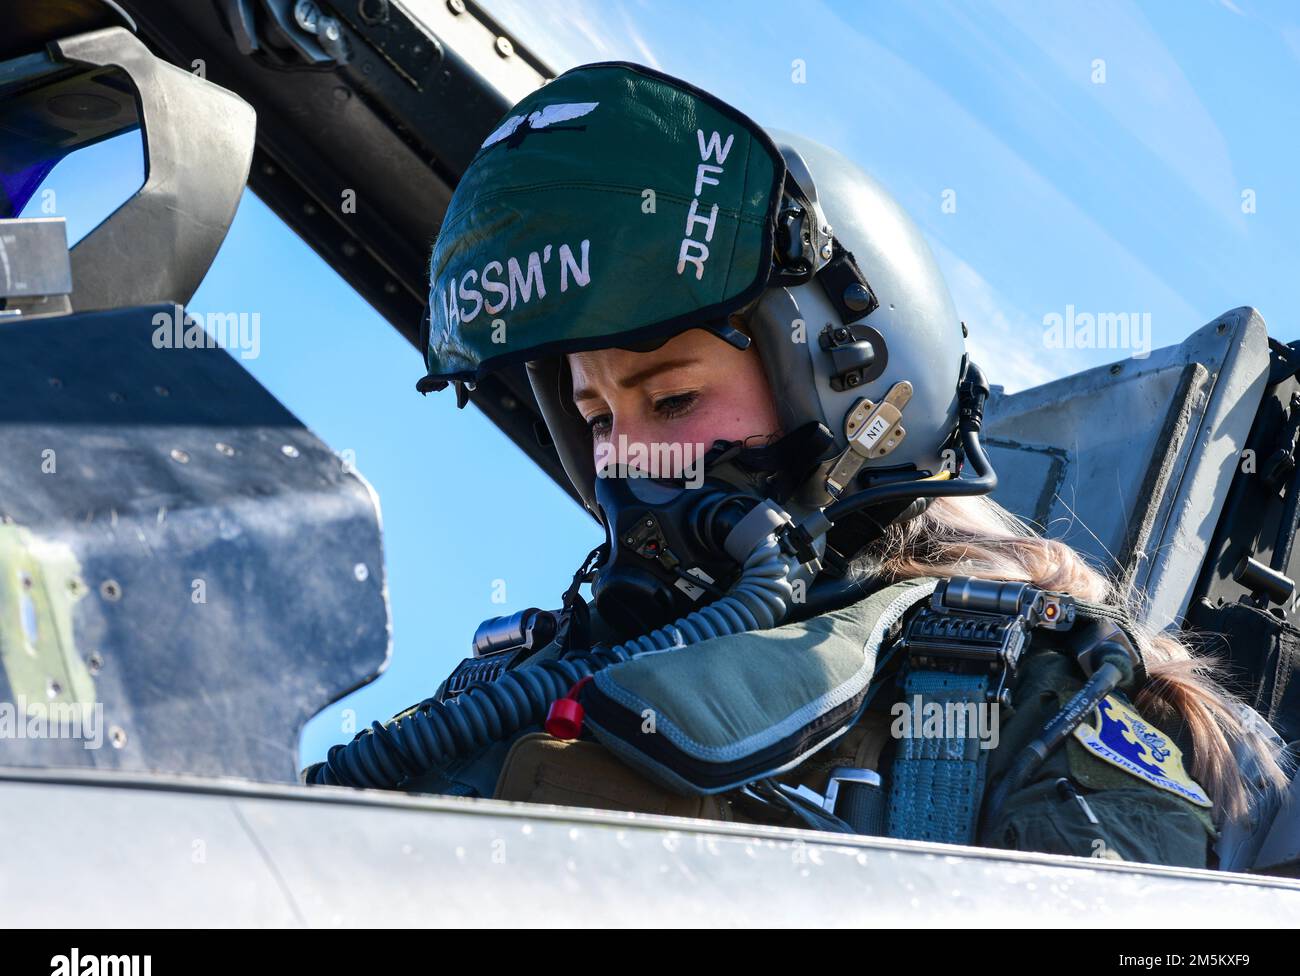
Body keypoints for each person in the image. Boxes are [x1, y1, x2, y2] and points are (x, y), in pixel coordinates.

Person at [316, 61, 1291, 868]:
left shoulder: (1015, 704)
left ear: (855, 381)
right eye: (594, 415)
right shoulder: (526, 675)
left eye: (671, 399)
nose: (628, 457)